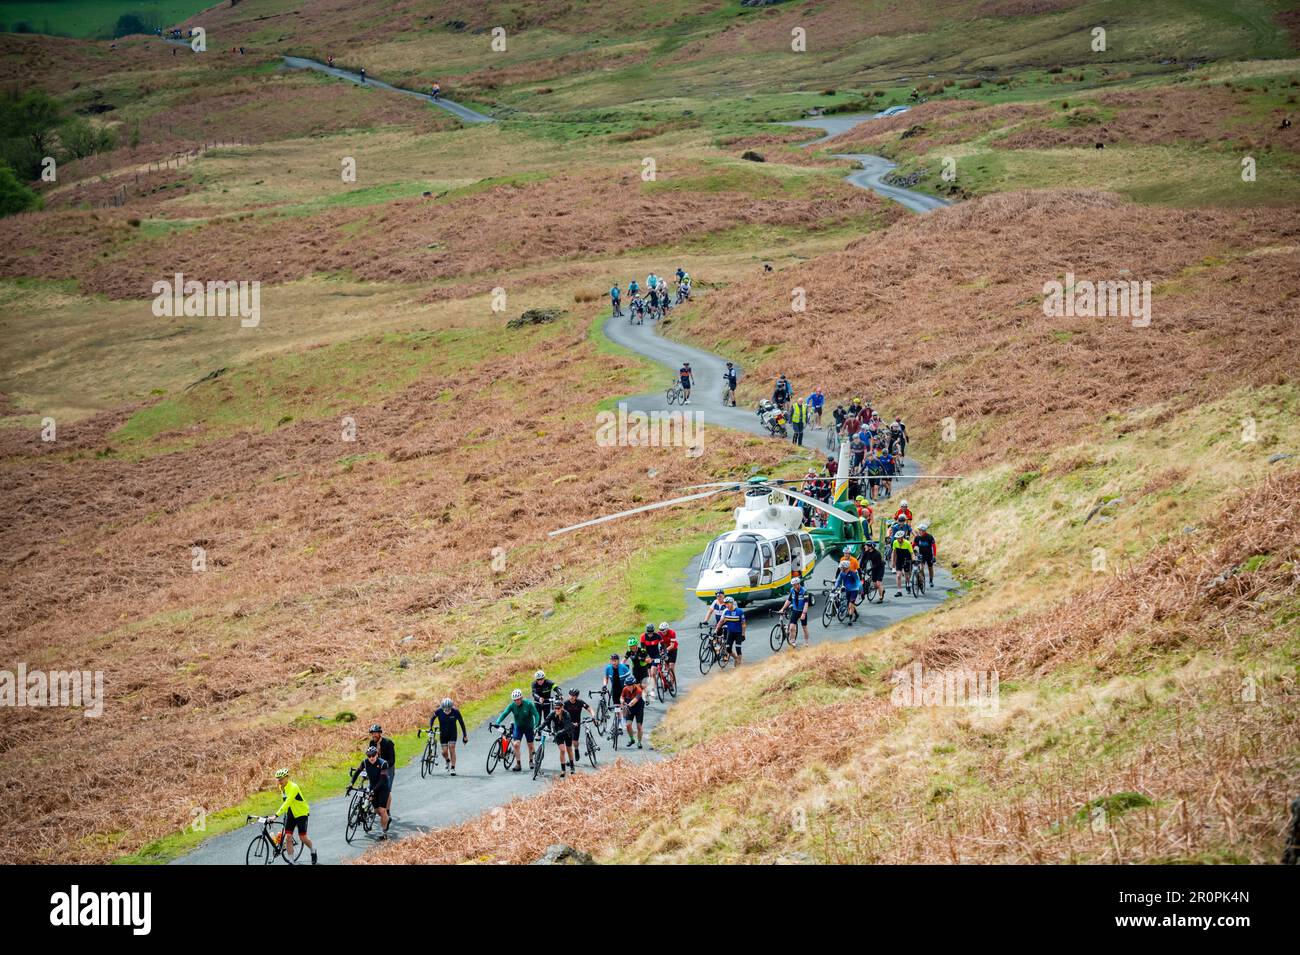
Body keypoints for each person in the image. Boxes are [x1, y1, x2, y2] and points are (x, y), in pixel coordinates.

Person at [272, 768, 317, 864]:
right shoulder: (282, 787)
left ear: (287, 778)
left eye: (281, 779)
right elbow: (285, 802)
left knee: (302, 837)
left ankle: (313, 850)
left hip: (301, 813)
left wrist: (276, 815)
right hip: (291, 814)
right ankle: (291, 861)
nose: (279, 781)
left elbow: (287, 802)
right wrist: (285, 814)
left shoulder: (293, 787)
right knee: (288, 837)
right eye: (278, 779)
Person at [348, 745, 392, 837]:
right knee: (376, 811)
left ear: (377, 755)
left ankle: (384, 833)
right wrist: (351, 784)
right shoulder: (365, 762)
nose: (371, 757)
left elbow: (382, 780)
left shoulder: (383, 763)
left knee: (382, 810)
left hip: (383, 787)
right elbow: (357, 772)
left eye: (373, 755)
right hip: (373, 785)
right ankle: (386, 819)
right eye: (369, 755)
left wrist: (373, 791)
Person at [496, 688, 541, 772]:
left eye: (518, 699)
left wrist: (536, 725)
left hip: (529, 727)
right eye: (515, 700)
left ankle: (531, 761)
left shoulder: (528, 704)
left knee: (530, 745)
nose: (517, 701)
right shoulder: (512, 705)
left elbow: (536, 715)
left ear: (521, 698)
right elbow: (505, 713)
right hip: (518, 727)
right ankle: (518, 764)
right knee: (516, 744)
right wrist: (497, 722)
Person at [430, 697, 468, 775]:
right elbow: (432, 719)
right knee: (444, 752)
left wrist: (465, 735)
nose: (447, 711)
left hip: (452, 733)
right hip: (443, 734)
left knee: (452, 748)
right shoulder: (439, 711)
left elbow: (461, 723)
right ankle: (447, 760)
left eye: (448, 709)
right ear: (442, 707)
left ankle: (453, 768)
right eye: (445, 709)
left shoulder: (456, 712)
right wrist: (430, 728)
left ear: (451, 707)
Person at [562, 688, 593, 772]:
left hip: (577, 724)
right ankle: (571, 759)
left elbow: (589, 708)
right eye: (570, 695)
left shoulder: (580, 702)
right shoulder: (565, 703)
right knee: (568, 744)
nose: (571, 697)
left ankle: (576, 750)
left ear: (576, 696)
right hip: (568, 725)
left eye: (573, 696)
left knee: (575, 742)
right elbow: (562, 714)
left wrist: (593, 715)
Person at [543, 700, 576, 777]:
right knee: (562, 750)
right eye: (555, 708)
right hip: (558, 734)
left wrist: (558, 732)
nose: (557, 710)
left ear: (562, 708)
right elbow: (546, 721)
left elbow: (567, 727)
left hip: (567, 733)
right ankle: (563, 770)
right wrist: (539, 728)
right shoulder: (552, 713)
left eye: (558, 708)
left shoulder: (566, 714)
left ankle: (572, 766)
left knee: (569, 750)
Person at [780, 577, 813, 647]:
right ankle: (793, 641)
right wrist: (782, 609)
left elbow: (806, 603)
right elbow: (788, 600)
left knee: (804, 628)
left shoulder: (804, 591)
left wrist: (804, 613)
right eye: (793, 585)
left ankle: (806, 642)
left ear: (798, 584)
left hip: (802, 611)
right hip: (795, 611)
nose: (794, 586)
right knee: (791, 628)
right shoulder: (792, 590)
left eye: (795, 585)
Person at [715, 596, 746, 666]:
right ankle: (736, 658)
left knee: (738, 649)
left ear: (732, 603)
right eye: (725, 604)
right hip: (730, 633)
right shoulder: (726, 611)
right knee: (728, 649)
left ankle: (739, 664)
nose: (726, 605)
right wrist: (716, 629)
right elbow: (721, 621)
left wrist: (743, 634)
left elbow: (743, 624)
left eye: (728, 603)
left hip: (738, 633)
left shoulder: (739, 611)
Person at [834, 557, 861, 624]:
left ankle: (850, 620)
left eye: (841, 567)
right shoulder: (842, 573)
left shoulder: (853, 574)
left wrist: (861, 592)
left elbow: (858, 582)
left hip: (854, 590)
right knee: (850, 604)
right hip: (847, 590)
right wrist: (835, 587)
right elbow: (838, 581)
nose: (840, 568)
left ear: (845, 568)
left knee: (850, 605)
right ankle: (856, 614)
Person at [620, 680, 646, 748]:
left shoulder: (639, 690)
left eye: (630, 685)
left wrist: (628, 705)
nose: (628, 687)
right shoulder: (625, 689)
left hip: (638, 708)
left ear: (633, 685)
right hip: (630, 708)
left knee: (639, 726)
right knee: (628, 725)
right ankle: (632, 739)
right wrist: (622, 701)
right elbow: (621, 697)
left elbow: (634, 701)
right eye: (627, 685)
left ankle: (639, 742)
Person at [913, 522, 937, 586]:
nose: (919, 532)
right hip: (921, 555)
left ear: (924, 531)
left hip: (929, 555)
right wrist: (912, 552)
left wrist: (934, 556)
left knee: (930, 568)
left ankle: (931, 581)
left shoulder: (929, 537)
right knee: (921, 568)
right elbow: (913, 545)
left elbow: (934, 547)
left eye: (921, 530)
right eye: (919, 530)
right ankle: (921, 580)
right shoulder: (917, 537)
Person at [891, 530, 914, 596]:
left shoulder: (907, 543)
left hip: (907, 559)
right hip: (899, 559)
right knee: (898, 575)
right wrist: (893, 562)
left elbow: (912, 553)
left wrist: (913, 560)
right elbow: (894, 553)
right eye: (897, 538)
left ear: (902, 537)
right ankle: (899, 591)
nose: (898, 539)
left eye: (899, 538)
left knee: (907, 576)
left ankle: (908, 584)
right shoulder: (895, 542)